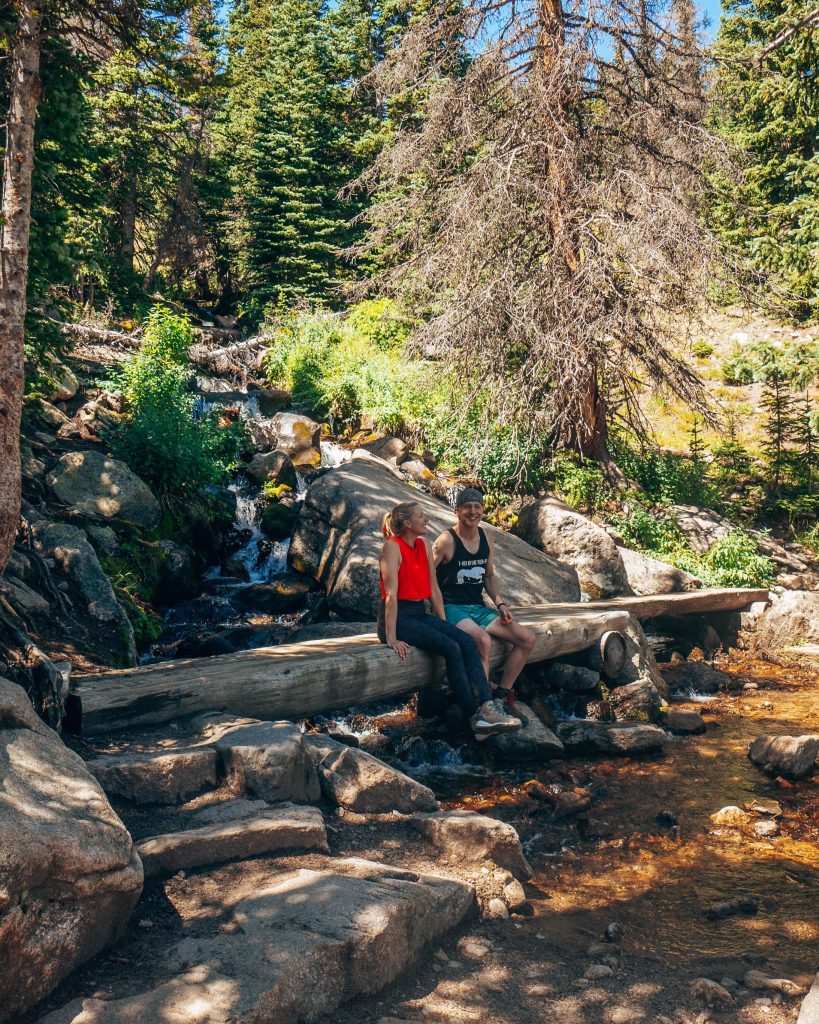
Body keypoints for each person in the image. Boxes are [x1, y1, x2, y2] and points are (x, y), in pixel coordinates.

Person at [377, 500, 521, 738]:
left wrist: (444, 623)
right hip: (397, 618)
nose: (427, 520)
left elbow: (433, 589)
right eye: (421, 516)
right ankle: (475, 715)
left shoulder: (423, 545)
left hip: (418, 613)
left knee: (465, 641)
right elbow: (391, 596)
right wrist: (391, 638)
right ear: (407, 523)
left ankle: (487, 706)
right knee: (451, 647)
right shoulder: (392, 548)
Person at [433, 488, 535, 720]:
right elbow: (427, 575)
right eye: (467, 507)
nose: (473, 511)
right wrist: (436, 613)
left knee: (527, 639)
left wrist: (500, 603)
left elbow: (488, 576)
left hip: (477, 607)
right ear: (457, 510)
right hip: (451, 607)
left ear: (482, 511)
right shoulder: (446, 540)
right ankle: (482, 705)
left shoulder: (487, 539)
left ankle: (503, 694)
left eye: (477, 507)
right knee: (482, 640)